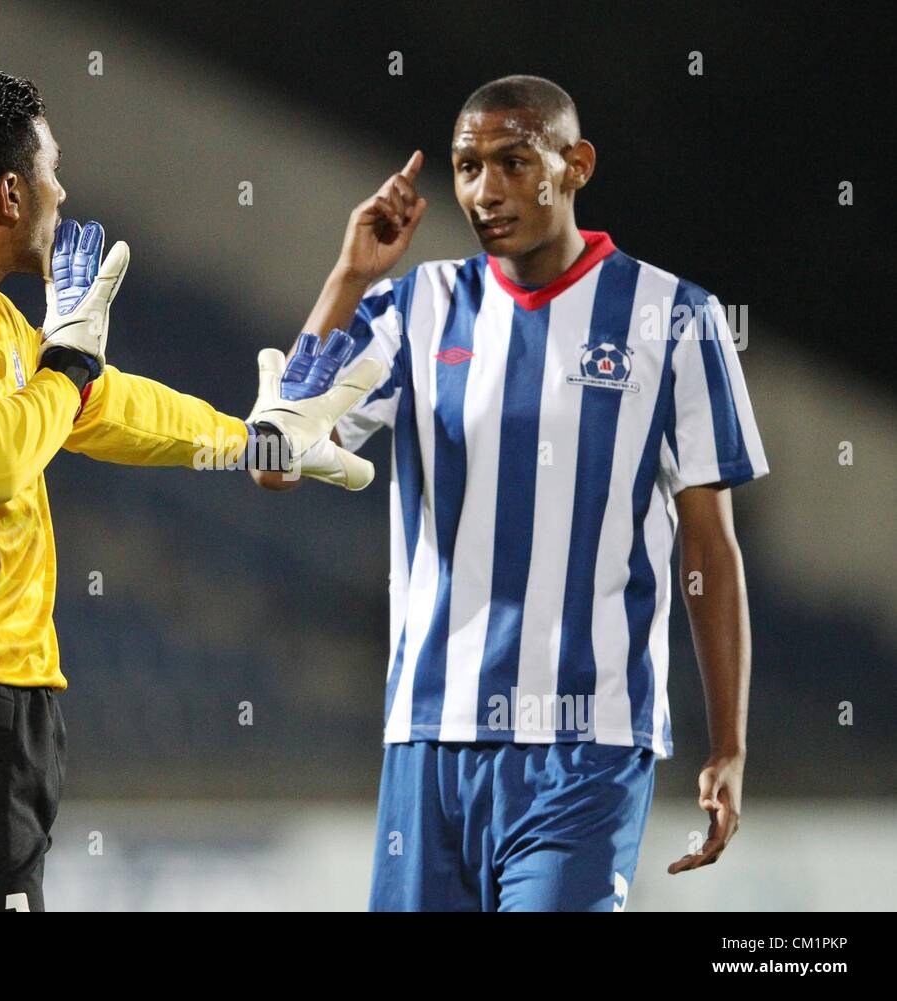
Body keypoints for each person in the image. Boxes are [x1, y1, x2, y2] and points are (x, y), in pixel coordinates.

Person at [0, 70, 383, 911]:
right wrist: (68, 361)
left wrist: (248, 441)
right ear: (9, 194)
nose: (63, 191)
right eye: (52, 170)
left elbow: (107, 405)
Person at [254, 74, 768, 911]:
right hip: (430, 737)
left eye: (512, 161)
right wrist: (348, 276)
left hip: (586, 745)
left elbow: (710, 547)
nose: (484, 191)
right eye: (465, 167)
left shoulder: (673, 318)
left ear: (576, 164)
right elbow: (274, 458)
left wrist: (730, 745)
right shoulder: (413, 307)